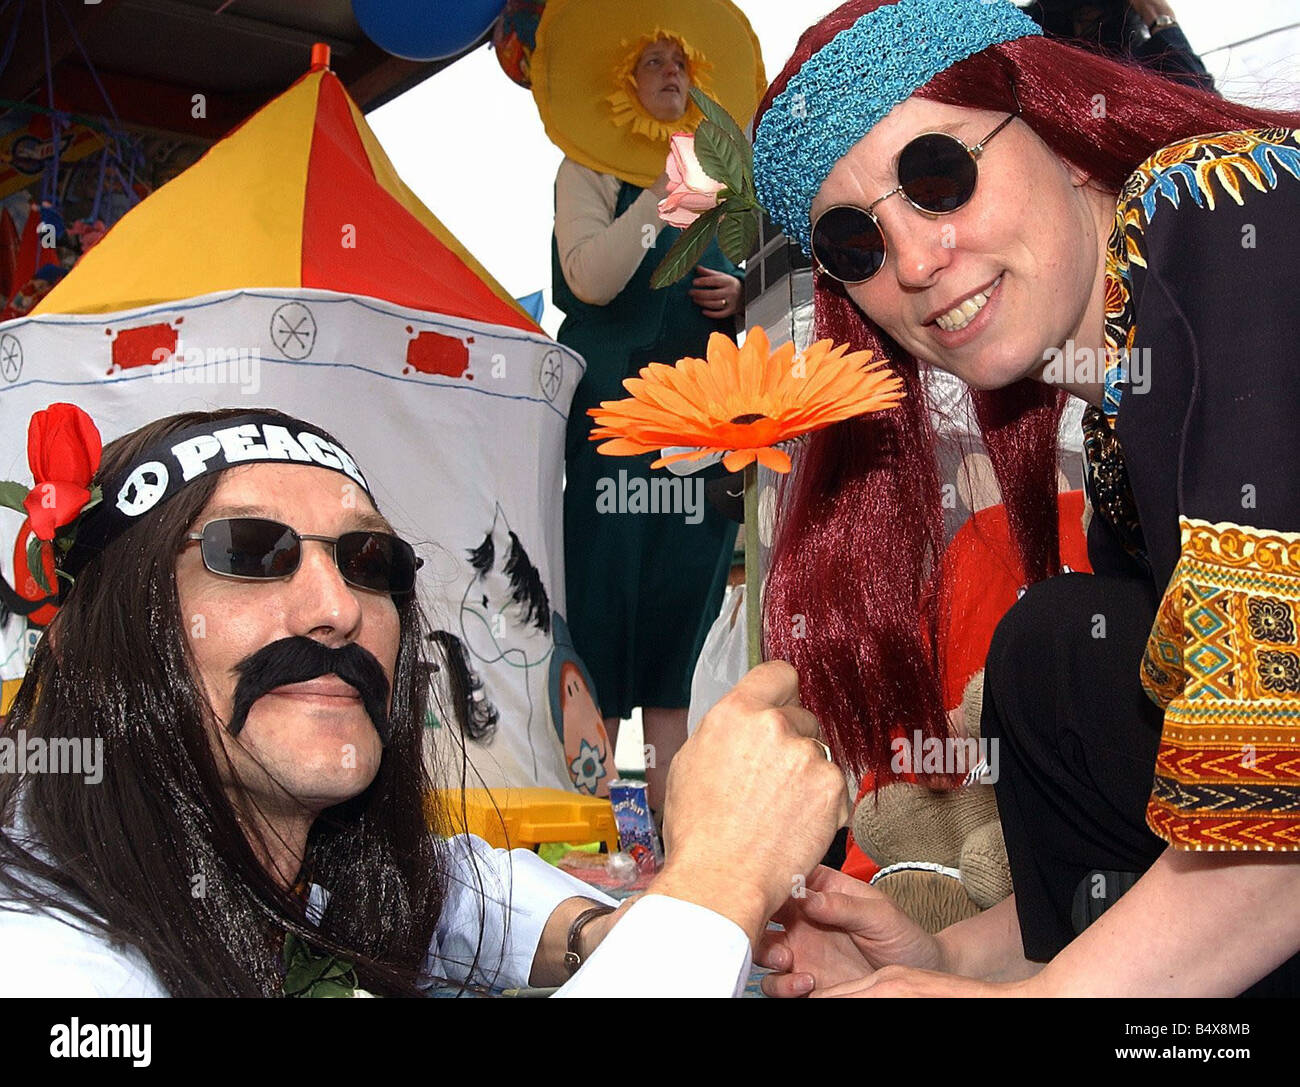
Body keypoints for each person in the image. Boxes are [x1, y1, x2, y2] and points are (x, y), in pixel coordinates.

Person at [750, 0, 1300, 995]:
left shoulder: (1220, 215)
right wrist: (953, 956)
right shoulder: (1126, 417)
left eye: (936, 177)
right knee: (1054, 652)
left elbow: (1277, 816)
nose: (915, 262)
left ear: (1063, 131)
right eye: (853, 245)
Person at [0, 404, 849, 997]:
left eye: (369, 561)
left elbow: (450, 890)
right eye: (253, 552)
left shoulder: (289, 861)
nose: (337, 607)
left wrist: (607, 933)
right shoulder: (46, 955)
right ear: (92, 630)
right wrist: (718, 883)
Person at [531, 0, 763, 809]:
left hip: (704, 434)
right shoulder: (584, 168)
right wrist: (659, 196)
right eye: (654, 62)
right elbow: (590, 277)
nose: (673, 72)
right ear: (624, 85)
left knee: (680, 631)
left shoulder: (731, 183)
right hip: (611, 429)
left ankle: (671, 836)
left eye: (680, 62)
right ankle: (584, 828)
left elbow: (777, 293)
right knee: (596, 612)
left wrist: (743, 290)